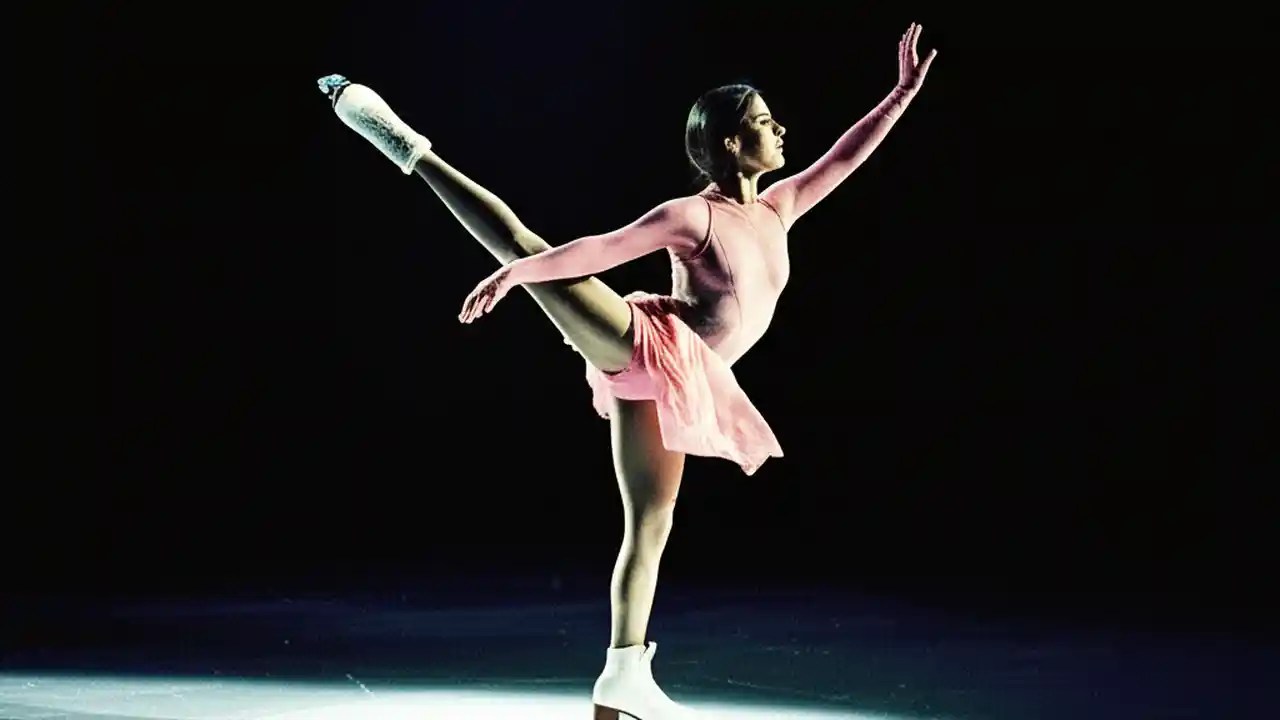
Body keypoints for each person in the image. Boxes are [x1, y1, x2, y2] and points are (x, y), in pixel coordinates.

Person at [318, 22, 936, 720]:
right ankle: (404, 142)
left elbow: (845, 157)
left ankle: (622, 678)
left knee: (649, 525)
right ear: (731, 143)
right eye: (764, 122)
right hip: (643, 344)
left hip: (680, 383)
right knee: (525, 243)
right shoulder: (692, 216)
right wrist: (520, 276)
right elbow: (602, 249)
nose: (781, 129)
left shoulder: (778, 207)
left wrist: (900, 94)